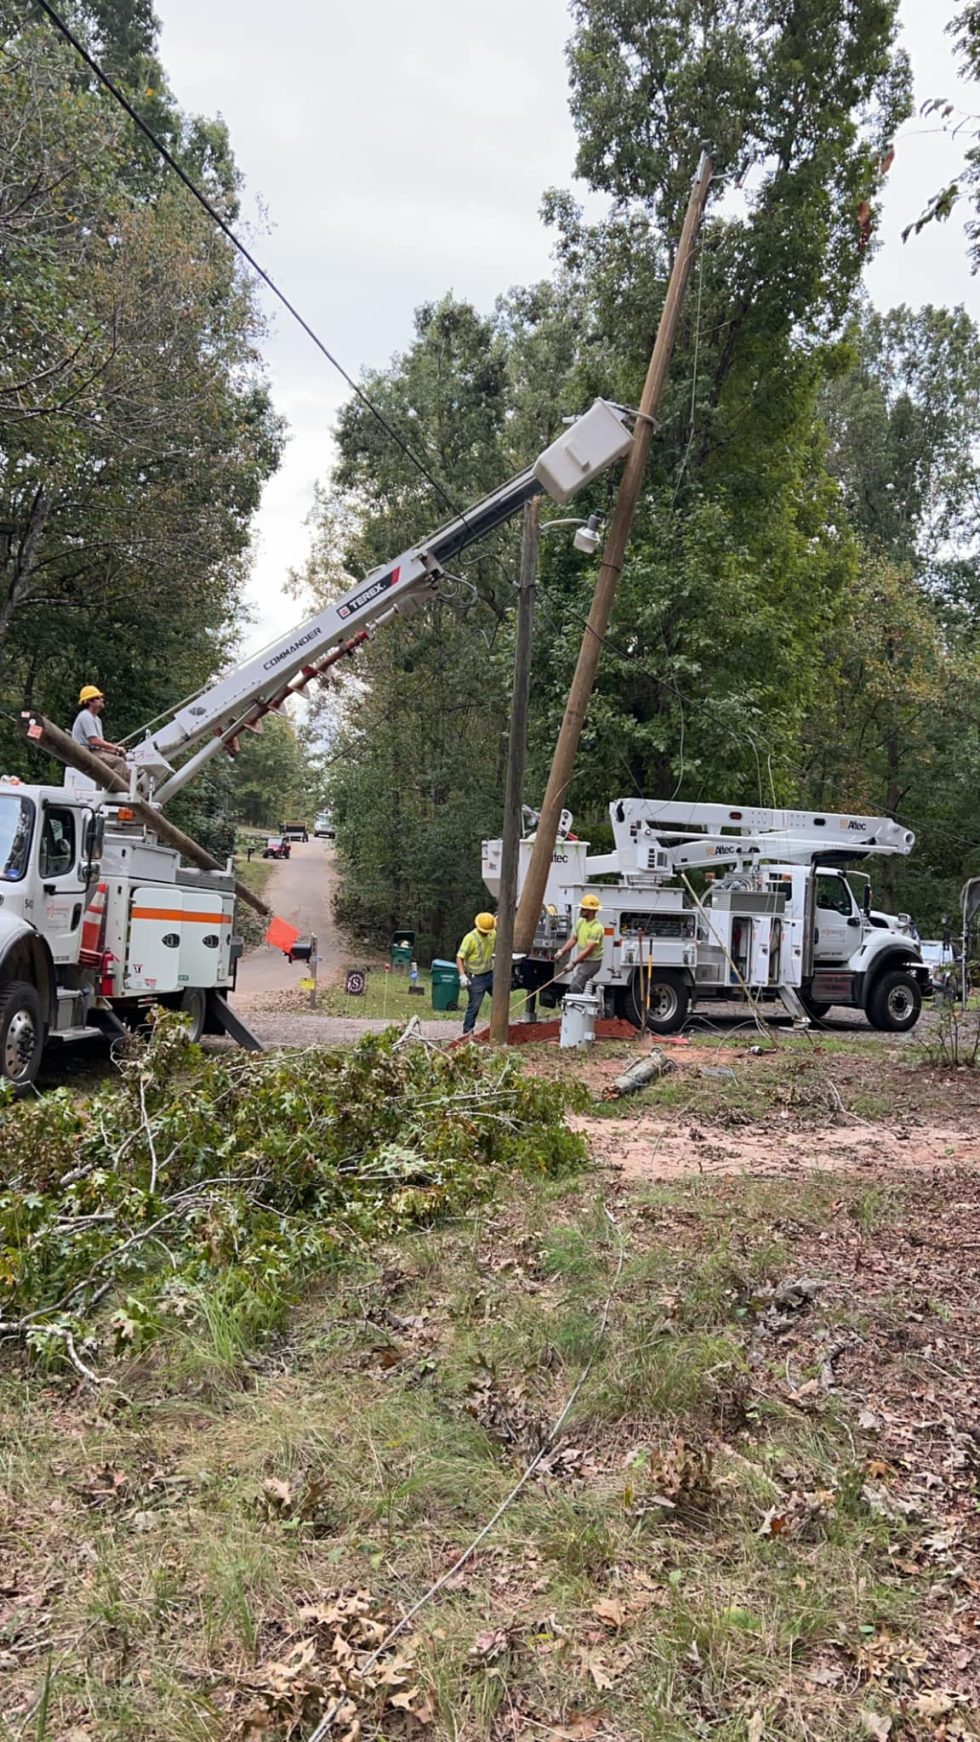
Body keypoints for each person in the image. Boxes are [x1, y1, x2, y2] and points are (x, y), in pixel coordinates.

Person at [72, 686, 129, 780]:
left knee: (120, 759)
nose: (102, 700)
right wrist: (115, 747)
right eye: (98, 698)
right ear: (89, 701)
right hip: (85, 753)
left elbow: (100, 744)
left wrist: (114, 751)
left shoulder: (97, 719)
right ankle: (117, 787)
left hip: (94, 752)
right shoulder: (85, 716)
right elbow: (94, 741)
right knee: (119, 763)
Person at [555, 893, 605, 992]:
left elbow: (588, 950)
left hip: (593, 962)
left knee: (576, 985)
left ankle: (580, 1001)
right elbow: (574, 939)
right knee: (576, 985)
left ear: (591, 911)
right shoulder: (581, 922)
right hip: (584, 960)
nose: (581, 911)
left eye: (584, 909)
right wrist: (562, 951)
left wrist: (573, 963)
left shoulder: (596, 928)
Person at [456, 911, 496, 1036]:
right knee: (474, 1007)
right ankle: (467, 1034)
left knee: (500, 1001)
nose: (486, 933)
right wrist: (462, 975)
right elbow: (460, 957)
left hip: (490, 974)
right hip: (475, 977)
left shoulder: (493, 933)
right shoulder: (470, 938)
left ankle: (498, 1028)